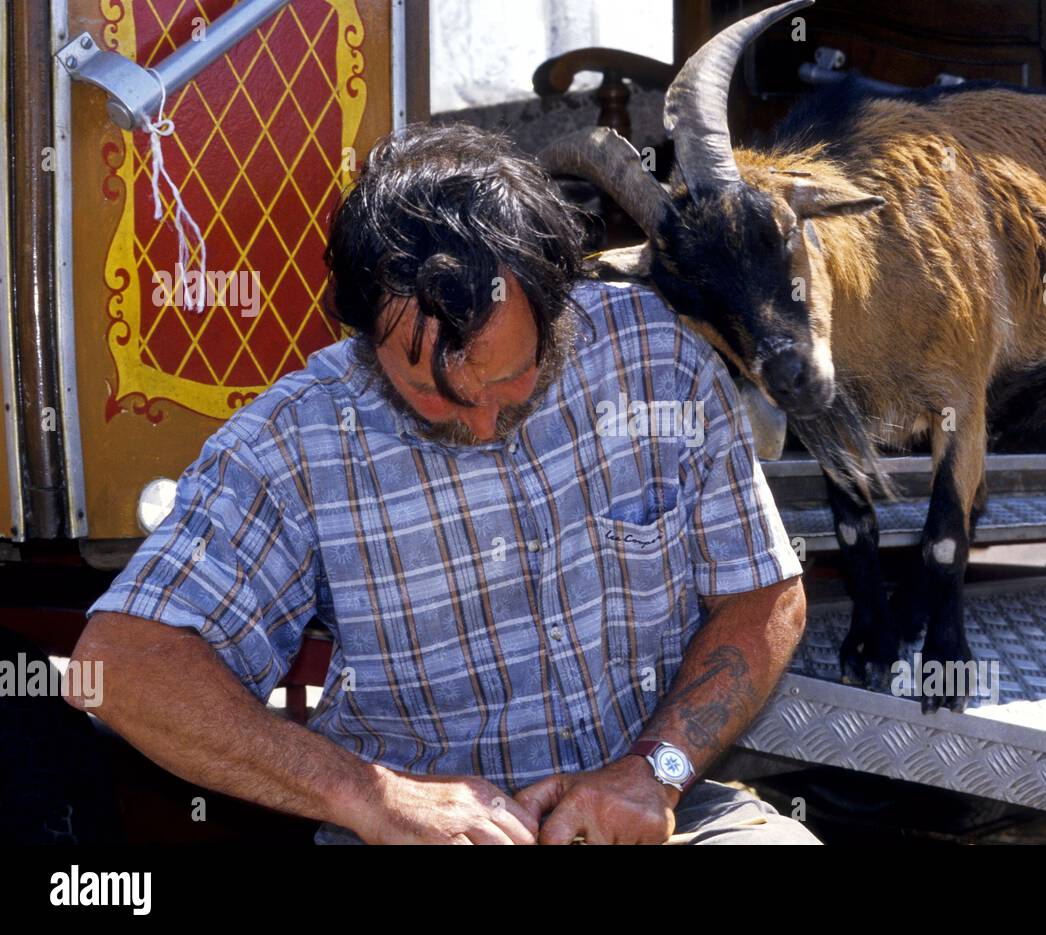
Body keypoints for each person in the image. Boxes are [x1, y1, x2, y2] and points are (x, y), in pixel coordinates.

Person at [68, 123, 818, 844]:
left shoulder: (657, 358)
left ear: (558, 299)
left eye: (511, 378)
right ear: (366, 337)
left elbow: (764, 593)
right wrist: (369, 794)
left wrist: (655, 769)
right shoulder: (296, 440)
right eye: (434, 392)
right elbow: (117, 666)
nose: (482, 423)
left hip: (658, 807)